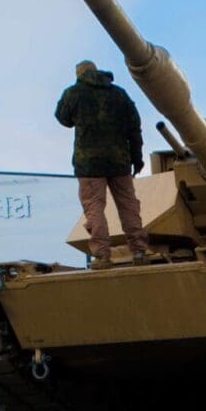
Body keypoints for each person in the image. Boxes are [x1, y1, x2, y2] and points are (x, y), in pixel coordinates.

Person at [56, 59, 149, 269]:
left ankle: (102, 255)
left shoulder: (73, 93)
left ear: (79, 75)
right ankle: (139, 250)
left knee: (94, 207)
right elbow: (135, 128)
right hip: (119, 161)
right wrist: (137, 158)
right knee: (128, 205)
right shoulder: (119, 94)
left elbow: (63, 118)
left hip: (88, 164)